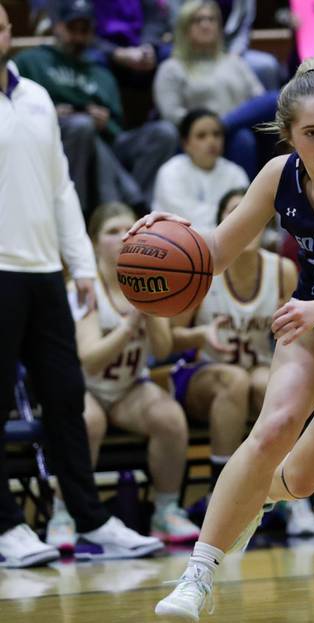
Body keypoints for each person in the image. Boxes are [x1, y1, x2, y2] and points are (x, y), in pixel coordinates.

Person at [128, 56, 314, 619]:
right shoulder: (277, 177)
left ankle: (259, 501)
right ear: (289, 137)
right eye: (312, 133)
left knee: (296, 481)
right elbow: (216, 252)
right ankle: (196, 579)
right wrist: (167, 230)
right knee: (270, 429)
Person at [0, 1, 163, 568]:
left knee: (67, 399)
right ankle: (5, 528)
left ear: (9, 32)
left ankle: (92, 521)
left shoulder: (36, 97)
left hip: (46, 273)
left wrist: (85, 267)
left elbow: (63, 190)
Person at [46, 203, 201, 550]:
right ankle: (63, 512)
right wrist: (130, 325)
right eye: (112, 231)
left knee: (170, 418)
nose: (121, 237)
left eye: (129, 229)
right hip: (84, 386)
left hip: (127, 386)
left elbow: (161, 350)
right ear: (93, 241)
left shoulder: (149, 279)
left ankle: (165, 511)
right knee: (87, 422)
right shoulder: (83, 288)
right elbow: (89, 359)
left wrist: (155, 310)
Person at [169, 188, 294, 523]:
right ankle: (217, 492)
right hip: (200, 372)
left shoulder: (282, 270)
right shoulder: (201, 271)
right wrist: (199, 335)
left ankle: (283, 494)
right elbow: (168, 340)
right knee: (235, 380)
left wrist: (287, 325)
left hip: (256, 365)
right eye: (235, 214)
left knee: (264, 383)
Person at [13, 0, 179, 215]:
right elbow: (14, 110)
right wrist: (52, 115)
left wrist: (104, 122)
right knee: (82, 126)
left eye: (85, 30)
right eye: (73, 28)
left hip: (102, 145)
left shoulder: (100, 70)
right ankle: (81, 213)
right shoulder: (31, 61)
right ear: (58, 26)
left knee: (163, 133)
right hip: (54, 142)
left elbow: (117, 128)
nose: (79, 36)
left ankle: (138, 215)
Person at [153, 0, 278, 179]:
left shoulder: (234, 62)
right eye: (198, 20)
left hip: (237, 131)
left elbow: (259, 99)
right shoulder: (171, 68)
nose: (206, 24)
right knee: (243, 138)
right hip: (198, 140)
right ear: (184, 28)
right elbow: (171, 115)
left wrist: (226, 124)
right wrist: (208, 128)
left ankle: (224, 124)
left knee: (275, 100)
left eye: (212, 20)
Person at [152, 108, 250, 235]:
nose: (211, 141)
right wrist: (228, 215)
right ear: (185, 143)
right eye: (201, 136)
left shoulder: (235, 172)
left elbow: (245, 215)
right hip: (177, 243)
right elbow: (187, 220)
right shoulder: (170, 172)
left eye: (216, 134)